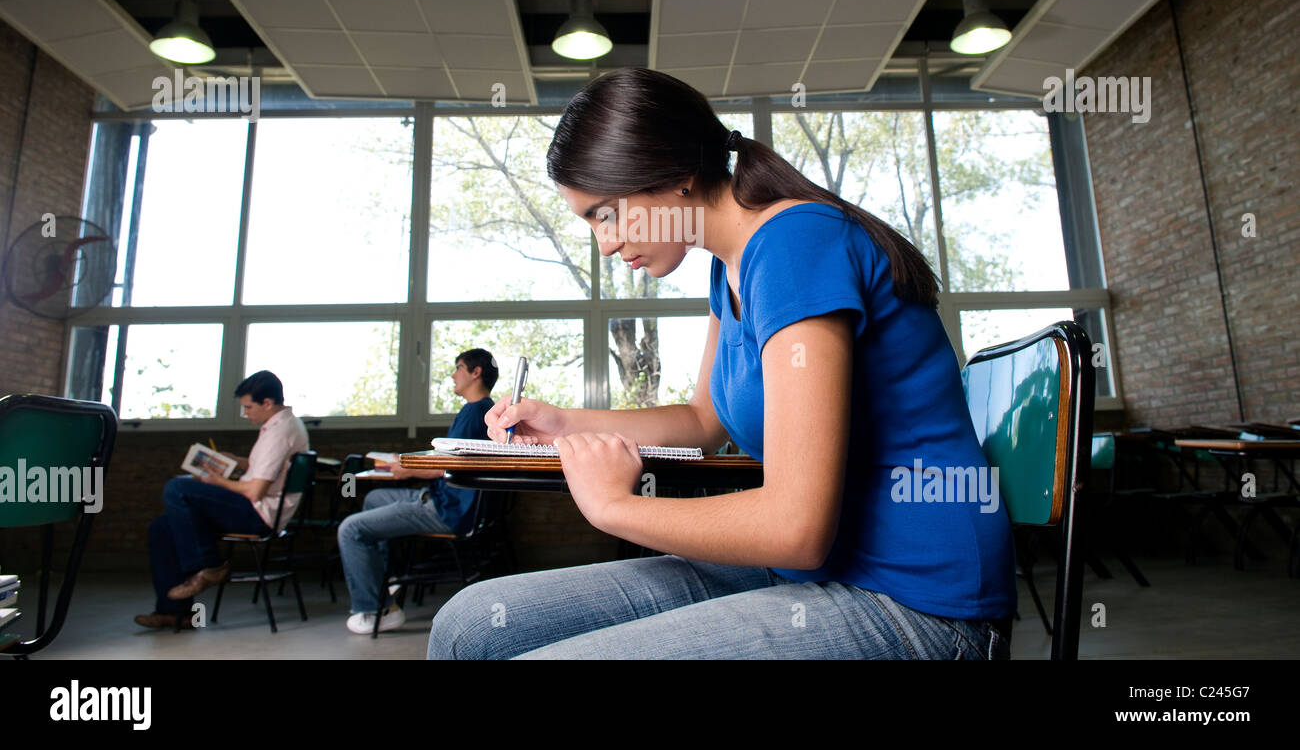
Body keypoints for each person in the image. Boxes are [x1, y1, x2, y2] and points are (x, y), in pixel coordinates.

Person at [427, 68, 1016, 660]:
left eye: (604, 214)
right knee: (474, 625)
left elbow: (796, 528)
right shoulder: (727, 269)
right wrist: (564, 423)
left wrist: (616, 507)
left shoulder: (793, 246)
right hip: (809, 573)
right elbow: (700, 420)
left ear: (677, 177)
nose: (603, 244)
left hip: (916, 600)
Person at [134, 370, 310, 630]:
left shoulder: (279, 433)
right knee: (162, 528)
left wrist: (218, 482)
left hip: (258, 514)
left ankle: (209, 565)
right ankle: (175, 613)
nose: (245, 413)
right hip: (258, 508)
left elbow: (255, 491)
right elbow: (261, 467)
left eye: (248, 407)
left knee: (176, 488)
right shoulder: (283, 424)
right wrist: (234, 461)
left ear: (268, 403)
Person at [337, 349, 496, 634]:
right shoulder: (482, 410)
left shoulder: (475, 412)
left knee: (350, 530)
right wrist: (407, 463)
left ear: (476, 373)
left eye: (459, 367)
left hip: (447, 510)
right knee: (373, 497)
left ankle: (377, 610)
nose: (453, 374)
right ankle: (385, 579)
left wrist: (407, 469)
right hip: (441, 498)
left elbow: (448, 466)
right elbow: (449, 459)